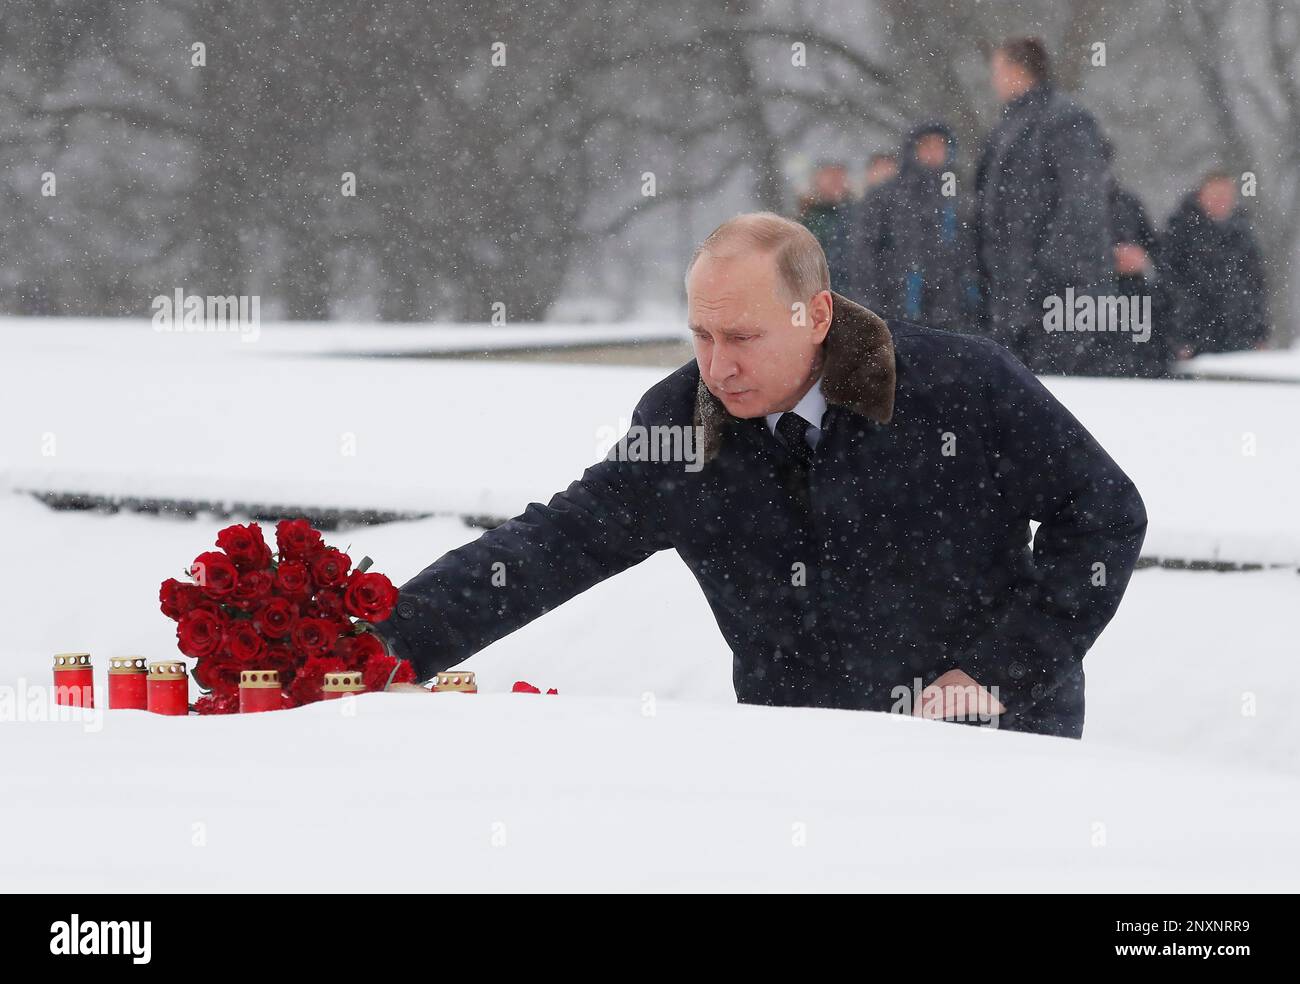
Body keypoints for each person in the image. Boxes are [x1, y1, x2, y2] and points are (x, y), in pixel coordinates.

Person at [375, 213, 1147, 739]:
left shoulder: (962, 385)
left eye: (742, 336)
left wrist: (999, 674)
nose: (718, 366)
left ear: (815, 316)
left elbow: (1105, 514)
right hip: (800, 765)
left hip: (999, 746)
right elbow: (560, 540)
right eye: (702, 335)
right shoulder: (684, 422)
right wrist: (381, 643)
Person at [974, 37, 1114, 374]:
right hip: (1013, 296)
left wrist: (1047, 274)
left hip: (1056, 299)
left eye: (997, 70)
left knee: (1057, 400)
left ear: (1017, 70)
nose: (993, 81)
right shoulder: (1009, 125)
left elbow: (1083, 203)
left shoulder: (1066, 121)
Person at [858, 122, 978, 331]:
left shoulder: (959, 197)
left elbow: (972, 251)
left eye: (940, 146)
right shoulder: (887, 197)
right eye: (926, 145)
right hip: (901, 308)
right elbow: (866, 252)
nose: (933, 152)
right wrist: (874, 302)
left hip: (953, 310)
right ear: (912, 150)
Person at [1161, 170, 1270, 357]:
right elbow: (1168, 283)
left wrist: (1259, 333)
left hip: (1238, 335)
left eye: (1227, 195)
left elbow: (1256, 285)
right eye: (1216, 194)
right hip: (1195, 338)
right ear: (1201, 195)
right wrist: (1179, 336)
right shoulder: (1180, 230)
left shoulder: (1243, 234)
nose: (1221, 200)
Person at [797, 162, 855, 292]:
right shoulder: (807, 218)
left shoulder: (858, 215)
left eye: (840, 176)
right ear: (817, 180)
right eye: (830, 176)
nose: (836, 181)